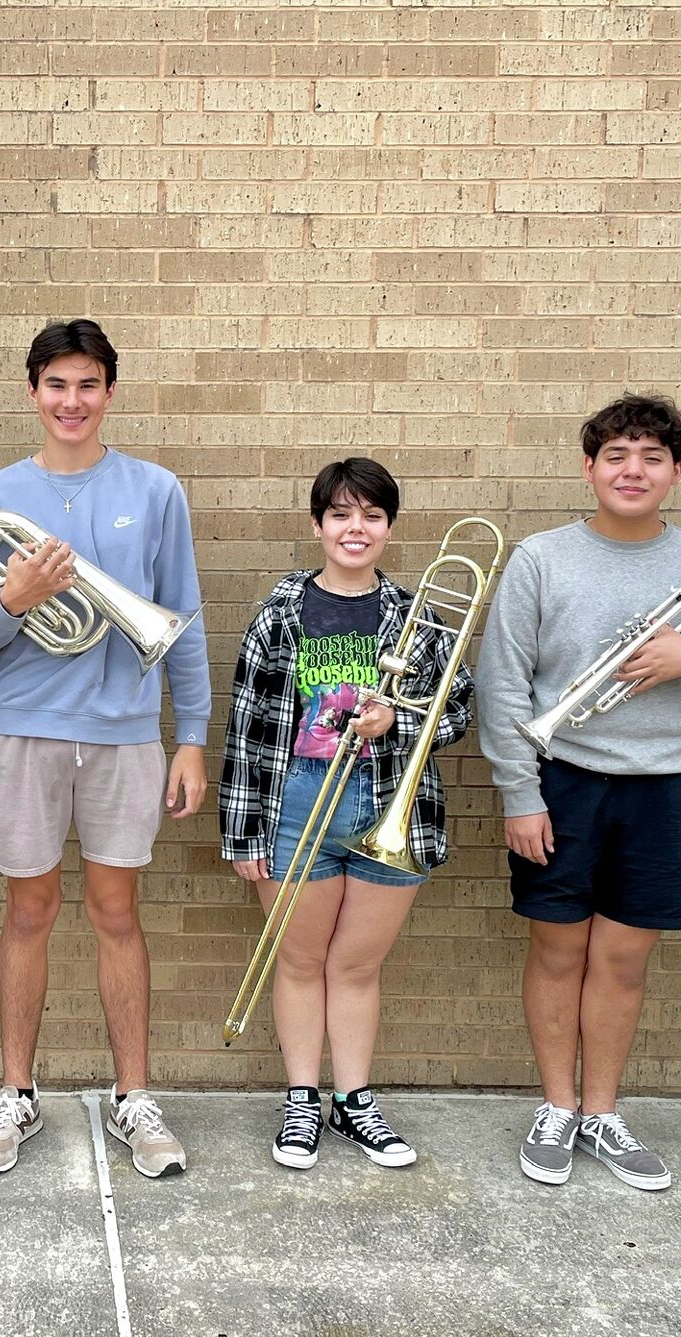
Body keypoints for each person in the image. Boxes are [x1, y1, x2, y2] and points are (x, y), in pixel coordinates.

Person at [476, 394, 681, 1192]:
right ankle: (557, 1105)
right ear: (589, 467)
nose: (632, 470)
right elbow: (502, 686)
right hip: (560, 782)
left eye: (650, 457)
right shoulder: (541, 557)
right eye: (616, 455)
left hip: (664, 787)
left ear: (678, 471)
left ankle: (602, 1112)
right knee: (557, 948)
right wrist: (519, 793)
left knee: (621, 958)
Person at [0, 318, 210, 1179]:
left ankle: (133, 1096)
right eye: (56, 384)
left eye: (88, 384)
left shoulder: (156, 489)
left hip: (127, 736)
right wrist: (16, 598)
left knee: (116, 914)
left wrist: (192, 737)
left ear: (108, 392)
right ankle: (16, 1093)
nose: (72, 400)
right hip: (26, 730)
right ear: (32, 391)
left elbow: (183, 623)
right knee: (28, 912)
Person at [219, 458, 472, 1170]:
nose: (354, 528)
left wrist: (395, 719)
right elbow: (245, 727)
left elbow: (457, 711)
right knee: (299, 961)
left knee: (356, 965)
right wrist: (241, 832)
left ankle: (354, 1100)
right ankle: (302, 1097)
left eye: (370, 515)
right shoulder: (278, 614)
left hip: (389, 806)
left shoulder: (417, 619)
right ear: (317, 524)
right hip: (294, 806)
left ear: (389, 527)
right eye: (340, 514)